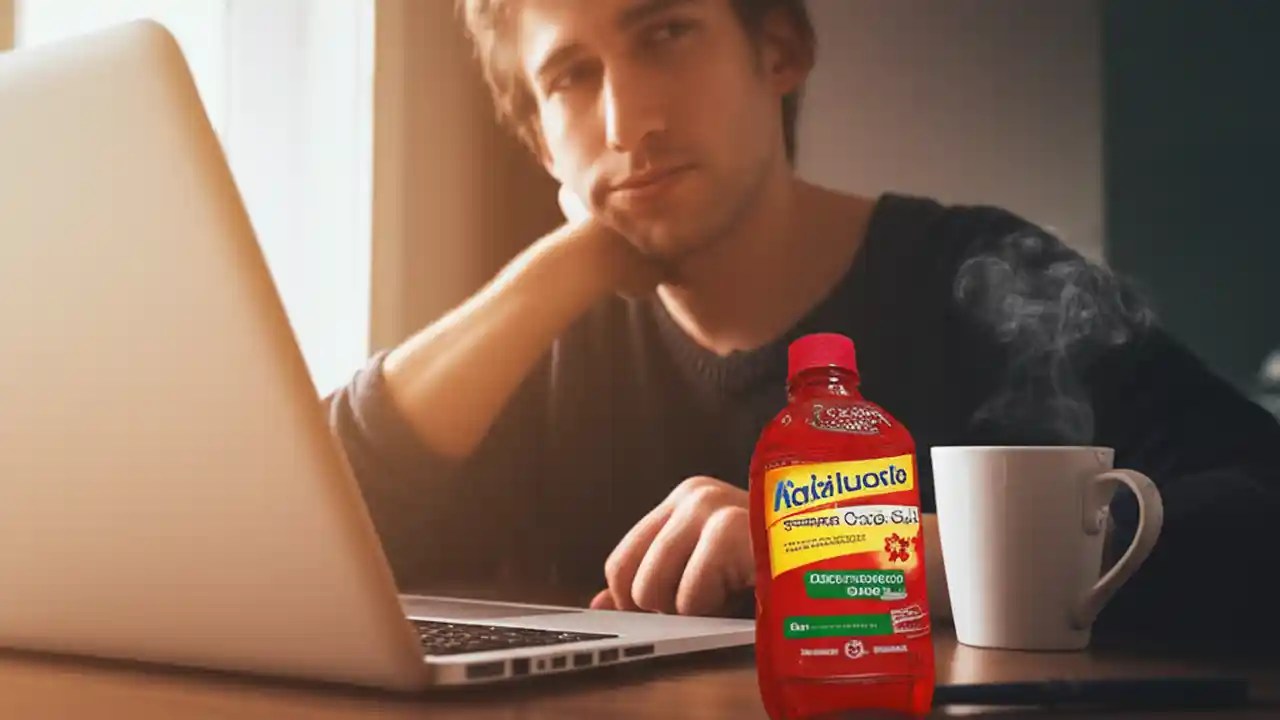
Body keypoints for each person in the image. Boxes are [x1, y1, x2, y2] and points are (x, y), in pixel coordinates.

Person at [326, 0, 1280, 652]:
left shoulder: (981, 279)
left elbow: (1258, 510)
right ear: (539, 141)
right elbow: (310, 535)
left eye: (665, 32)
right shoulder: (551, 349)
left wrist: (845, 548)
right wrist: (547, 277)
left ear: (779, 50)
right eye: (572, 77)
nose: (627, 123)